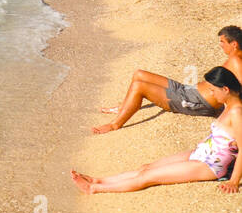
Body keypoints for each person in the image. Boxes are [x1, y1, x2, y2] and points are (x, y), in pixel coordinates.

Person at [73, 69, 242, 194]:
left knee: (148, 177)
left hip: (210, 165)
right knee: (146, 168)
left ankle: (94, 188)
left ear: (225, 89)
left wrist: (234, 181)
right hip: (201, 152)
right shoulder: (229, 105)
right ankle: (98, 179)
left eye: (213, 90)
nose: (211, 94)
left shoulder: (237, 113)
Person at [93, 29, 242, 134]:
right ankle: (124, 107)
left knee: (139, 87)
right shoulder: (234, 59)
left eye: (222, 42)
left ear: (234, 44)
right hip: (188, 90)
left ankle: (115, 125)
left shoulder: (236, 61)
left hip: (194, 101)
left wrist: (228, 111)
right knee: (139, 74)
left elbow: (239, 90)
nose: (220, 45)